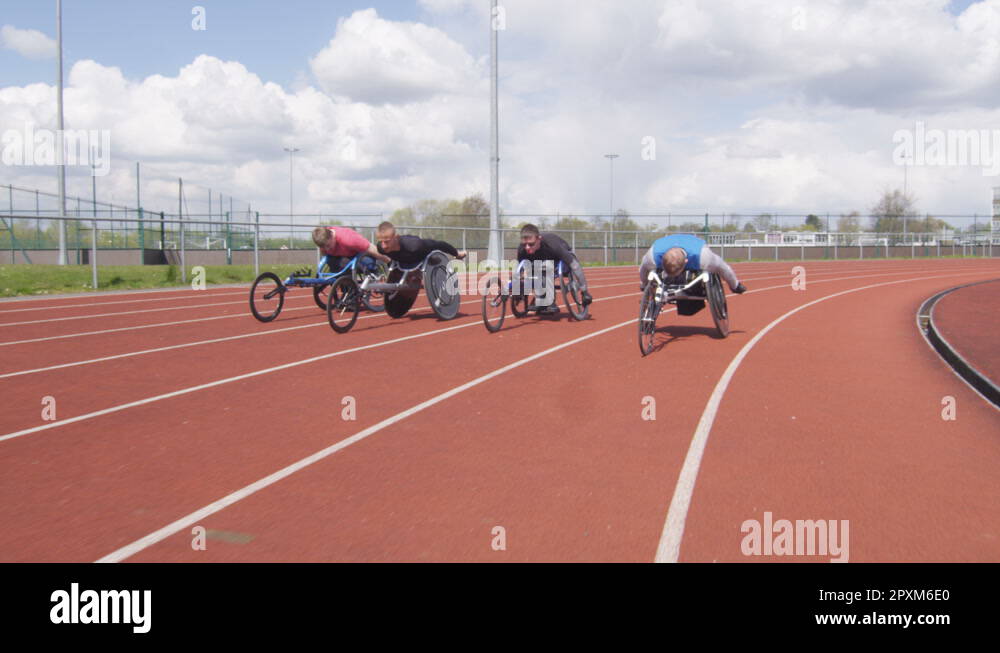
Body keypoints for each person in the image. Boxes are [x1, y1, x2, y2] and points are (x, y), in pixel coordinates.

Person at [516, 224, 593, 314]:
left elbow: (575, 266)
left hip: (561, 261)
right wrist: (518, 289)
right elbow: (520, 269)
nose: (527, 247)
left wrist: (585, 291)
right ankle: (540, 298)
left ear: (539, 239)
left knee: (545, 267)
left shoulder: (553, 244)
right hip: (540, 263)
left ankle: (549, 300)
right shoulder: (522, 249)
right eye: (524, 244)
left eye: (531, 244)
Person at [639, 233, 747, 294]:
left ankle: (736, 286)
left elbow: (723, 268)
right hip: (665, 243)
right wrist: (644, 284)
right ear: (662, 260)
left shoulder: (704, 257)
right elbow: (643, 268)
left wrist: (734, 284)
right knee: (648, 268)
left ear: (686, 262)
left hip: (695, 246)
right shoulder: (652, 256)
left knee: (719, 264)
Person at [374, 222, 467, 264]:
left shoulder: (415, 245)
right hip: (403, 260)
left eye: (386, 241)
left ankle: (431, 258)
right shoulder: (381, 248)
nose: (384, 246)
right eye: (381, 241)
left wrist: (456, 254)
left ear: (396, 237)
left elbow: (440, 245)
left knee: (436, 245)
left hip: (419, 253)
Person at [311, 225, 390, 274]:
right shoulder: (323, 243)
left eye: (328, 245)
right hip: (342, 257)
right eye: (323, 247)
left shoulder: (348, 239)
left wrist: (389, 261)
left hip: (359, 254)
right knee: (331, 261)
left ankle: (374, 268)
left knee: (368, 264)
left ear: (331, 235)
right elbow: (325, 253)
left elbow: (371, 248)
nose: (326, 249)